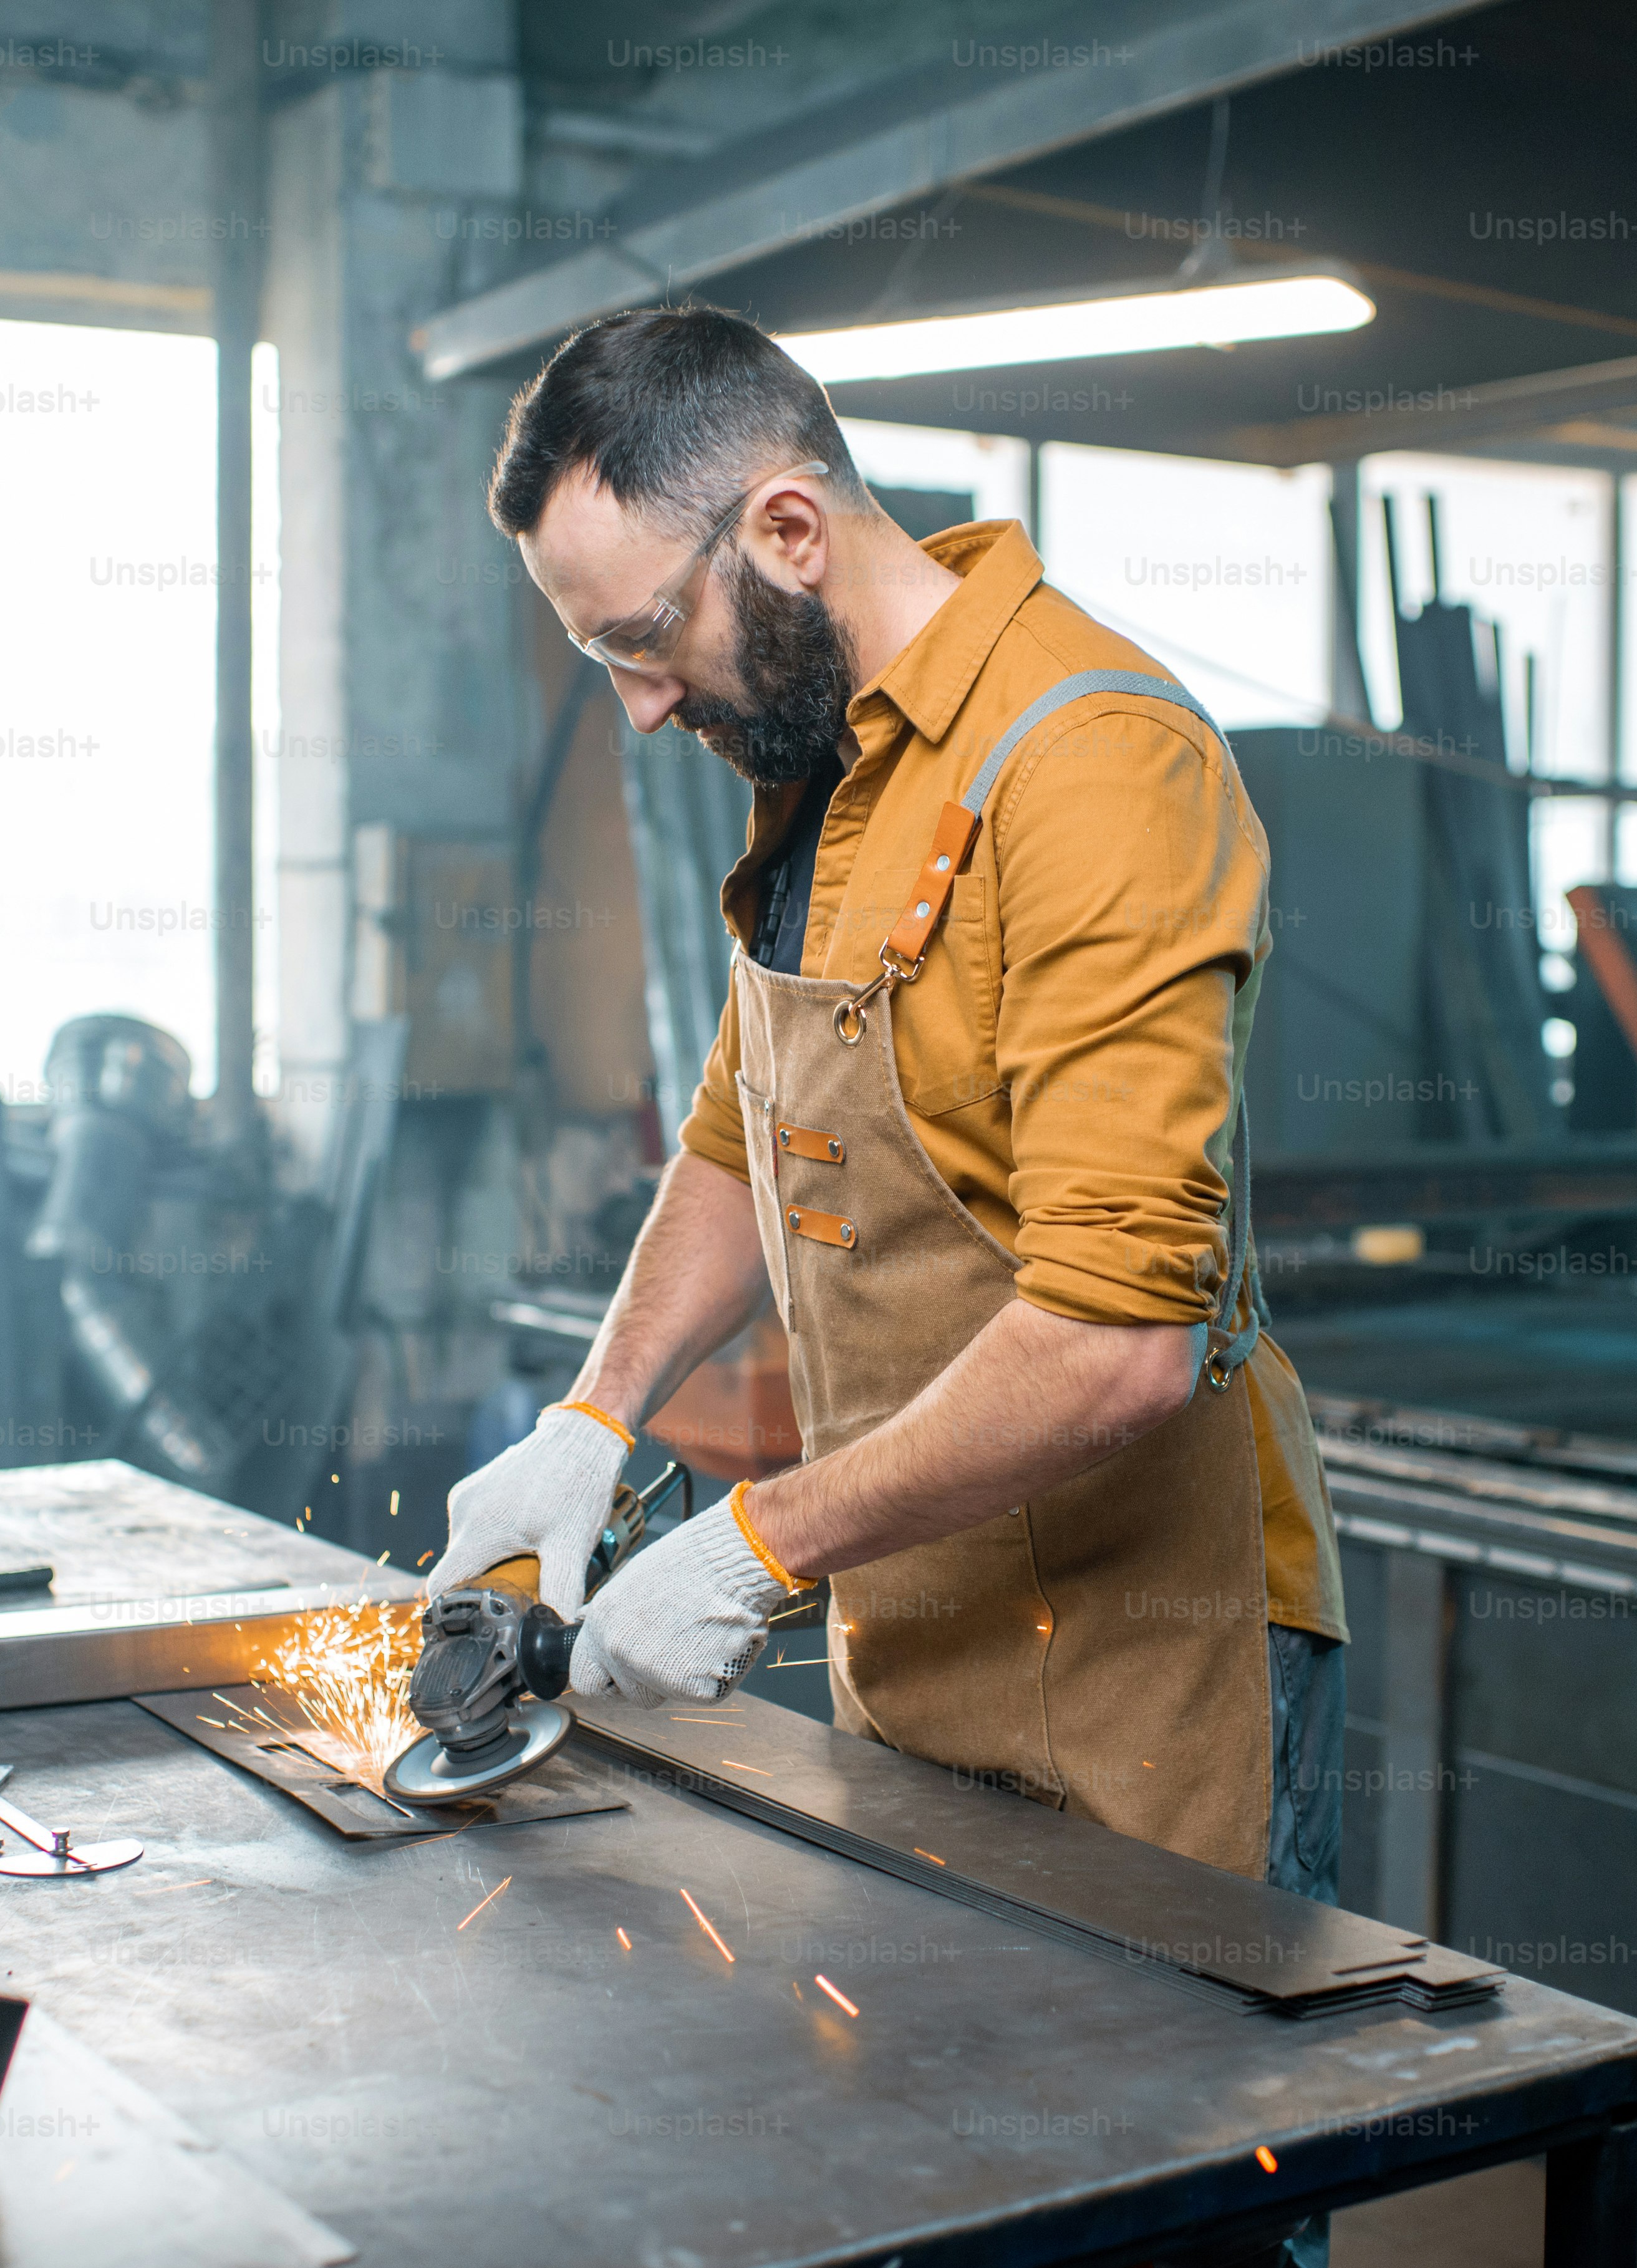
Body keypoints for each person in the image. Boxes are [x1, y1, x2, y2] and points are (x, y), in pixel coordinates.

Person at [433, 301, 1346, 1932]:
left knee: (1184, 2156)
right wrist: (594, 1417)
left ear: (787, 529)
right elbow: (741, 1133)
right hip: (924, 1621)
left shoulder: (1090, 764)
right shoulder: (825, 773)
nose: (644, 706)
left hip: (1155, 1645)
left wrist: (751, 1547)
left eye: (648, 639)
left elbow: (1119, 1337)